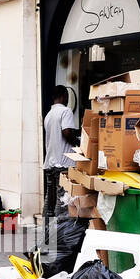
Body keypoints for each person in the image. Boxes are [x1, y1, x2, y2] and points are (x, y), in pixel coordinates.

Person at [42, 87, 79, 226]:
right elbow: (67, 132)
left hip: (50, 163)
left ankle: (47, 233)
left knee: (49, 200)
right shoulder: (66, 111)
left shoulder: (49, 115)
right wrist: (78, 143)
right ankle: (58, 232)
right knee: (61, 200)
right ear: (64, 96)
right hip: (63, 163)